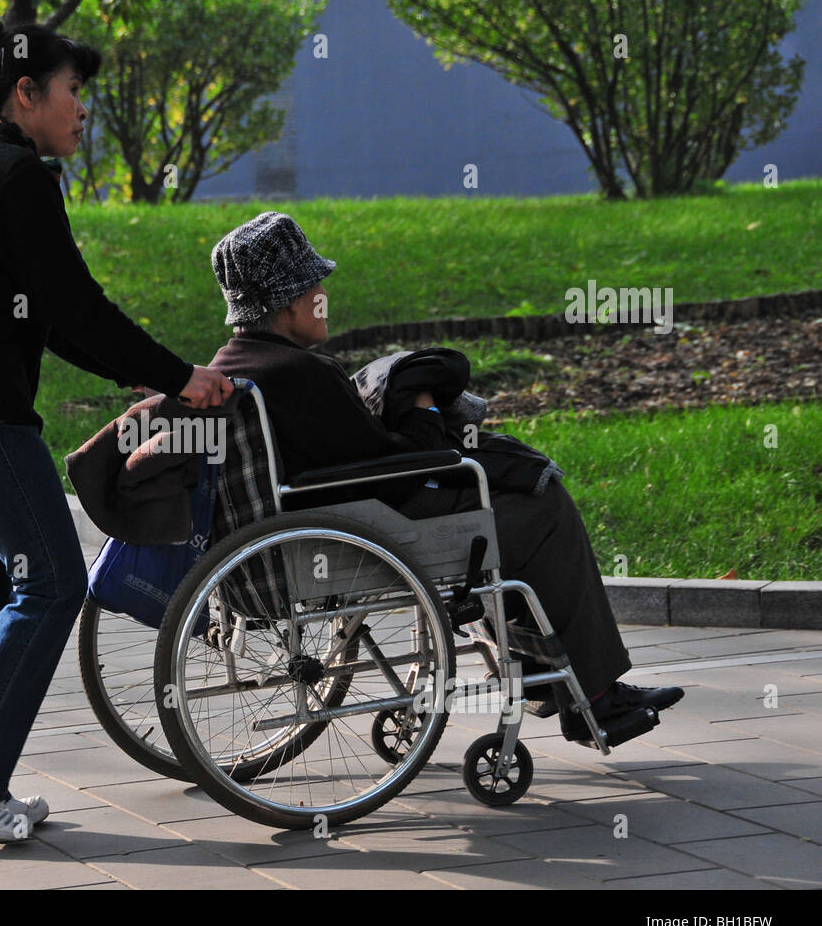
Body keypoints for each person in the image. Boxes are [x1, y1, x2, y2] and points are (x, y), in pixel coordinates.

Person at [0, 15, 233, 842]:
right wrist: (184, 376)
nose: (82, 110)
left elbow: (47, 313)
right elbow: (75, 304)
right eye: (72, 92)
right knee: (53, 583)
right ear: (27, 93)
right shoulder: (19, 178)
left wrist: (140, 371)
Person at [205, 212, 683, 745]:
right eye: (316, 286)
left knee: (508, 498)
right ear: (290, 301)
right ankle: (592, 695)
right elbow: (400, 471)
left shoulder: (232, 367)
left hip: (311, 527)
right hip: (369, 527)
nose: (324, 296)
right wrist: (424, 408)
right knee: (543, 506)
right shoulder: (300, 373)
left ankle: (556, 683)